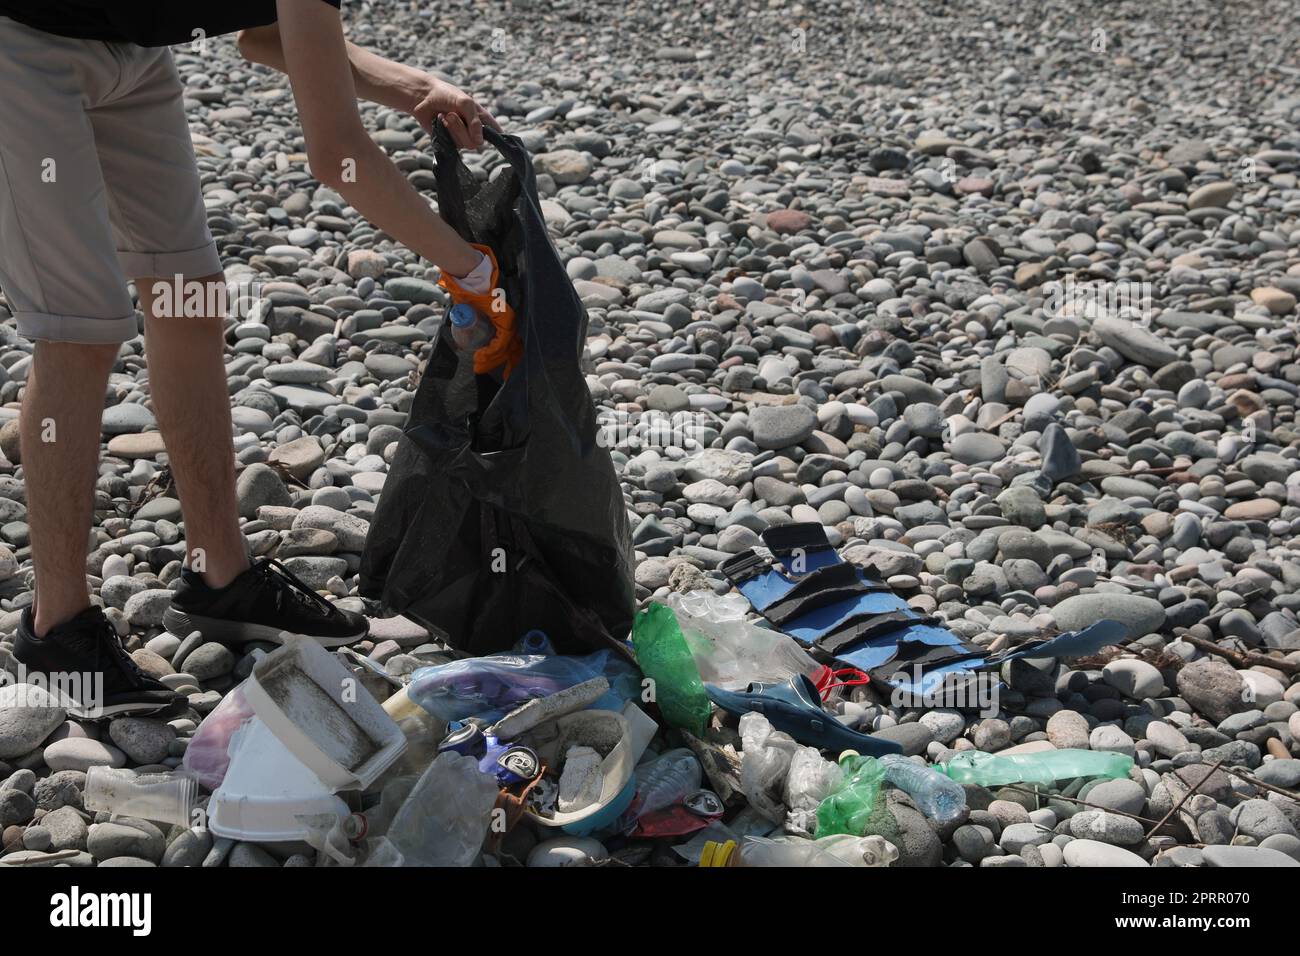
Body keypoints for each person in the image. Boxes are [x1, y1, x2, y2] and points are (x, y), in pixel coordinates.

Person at [0, 0, 505, 716]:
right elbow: (339, 156)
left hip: (135, 49)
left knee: (189, 297)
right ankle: (56, 628)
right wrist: (471, 270)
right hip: (24, 41)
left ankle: (220, 578)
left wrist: (415, 90)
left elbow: (269, 34)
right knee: (80, 329)